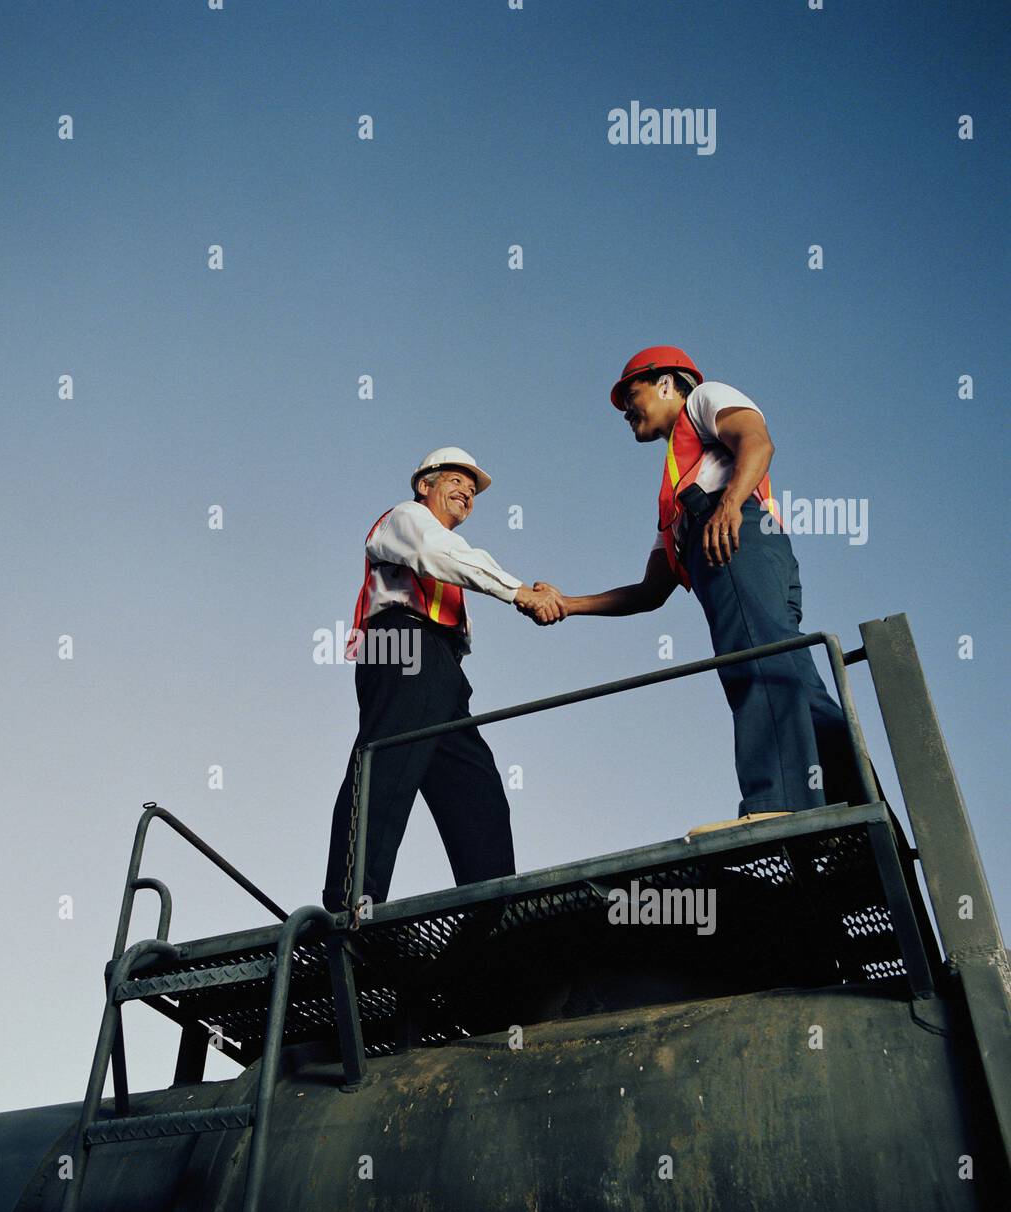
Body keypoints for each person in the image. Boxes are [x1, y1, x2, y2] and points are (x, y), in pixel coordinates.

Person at [534, 347, 859, 830]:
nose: (626, 409)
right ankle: (853, 804)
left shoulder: (706, 398)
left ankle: (779, 803)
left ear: (667, 383)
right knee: (798, 685)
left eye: (632, 393)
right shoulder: (677, 490)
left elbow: (757, 441)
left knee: (755, 662)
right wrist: (569, 605)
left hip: (738, 540)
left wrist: (729, 505)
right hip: (734, 550)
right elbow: (649, 591)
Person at [321, 447, 563, 916]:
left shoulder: (450, 558)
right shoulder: (406, 519)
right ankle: (349, 906)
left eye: (471, 489)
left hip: (440, 666)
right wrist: (518, 593)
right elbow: (437, 553)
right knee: (386, 768)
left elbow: (449, 577)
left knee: (478, 789)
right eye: (455, 480)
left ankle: (493, 911)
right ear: (423, 485)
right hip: (401, 646)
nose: (466, 491)